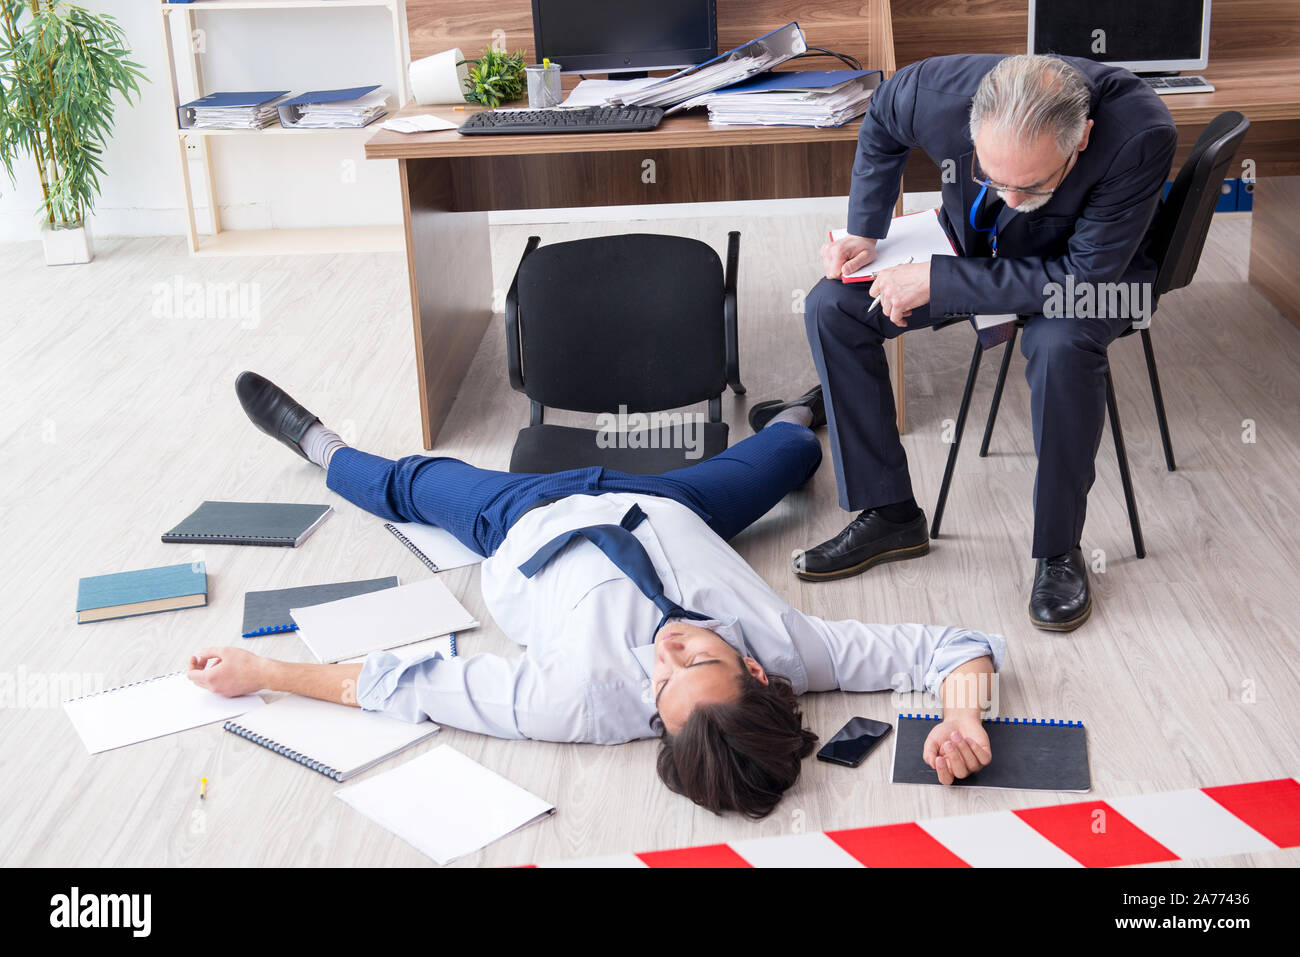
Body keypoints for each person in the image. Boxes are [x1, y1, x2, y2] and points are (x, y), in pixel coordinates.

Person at [189, 372, 1007, 819]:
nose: (666, 651)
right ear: (757, 672)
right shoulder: (792, 646)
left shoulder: (579, 703)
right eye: (698, 655)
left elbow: (410, 685)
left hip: (523, 517)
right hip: (679, 505)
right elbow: (952, 646)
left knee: (404, 483)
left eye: (663, 682)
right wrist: (963, 712)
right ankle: (794, 406)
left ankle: (312, 438)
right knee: (793, 455)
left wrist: (263, 668)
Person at [758, 54, 1178, 632]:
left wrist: (939, 279)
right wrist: (865, 226)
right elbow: (879, 119)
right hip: (980, 247)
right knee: (832, 306)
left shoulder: (1140, 134)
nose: (1006, 196)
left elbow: (1084, 278)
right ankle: (888, 513)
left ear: (1081, 139)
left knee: (1058, 349)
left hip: (1096, 274)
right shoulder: (934, 93)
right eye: (991, 176)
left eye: (1028, 183)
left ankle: (1058, 550)